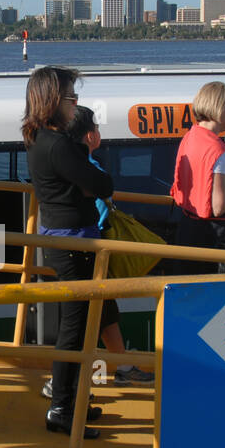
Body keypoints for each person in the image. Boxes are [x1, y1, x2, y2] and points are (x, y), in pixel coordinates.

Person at [23, 68, 113, 439]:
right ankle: (61, 407)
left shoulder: (40, 139)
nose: (76, 105)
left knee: (77, 325)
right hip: (74, 242)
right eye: (71, 98)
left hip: (63, 238)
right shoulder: (59, 146)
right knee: (74, 328)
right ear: (53, 101)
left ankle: (72, 397)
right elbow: (101, 182)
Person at [39, 105, 152, 397]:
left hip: (76, 245)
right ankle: (63, 385)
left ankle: (122, 367)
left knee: (104, 310)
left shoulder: (49, 150)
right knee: (82, 320)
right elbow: (103, 191)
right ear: (90, 136)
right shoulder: (84, 166)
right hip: (87, 247)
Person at [170, 81, 225, 274]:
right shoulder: (216, 151)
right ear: (221, 109)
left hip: (188, 227)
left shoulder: (191, 137)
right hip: (215, 236)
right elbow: (218, 207)